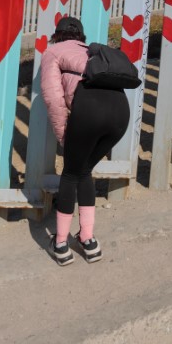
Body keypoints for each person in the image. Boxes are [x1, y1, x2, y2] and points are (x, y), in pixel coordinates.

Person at [39, 17, 130, 265]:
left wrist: (63, 137)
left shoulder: (53, 52)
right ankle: (88, 241)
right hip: (121, 113)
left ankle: (60, 244)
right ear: (80, 35)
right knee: (84, 170)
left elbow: (53, 98)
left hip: (90, 110)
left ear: (57, 35)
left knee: (70, 173)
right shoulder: (92, 51)